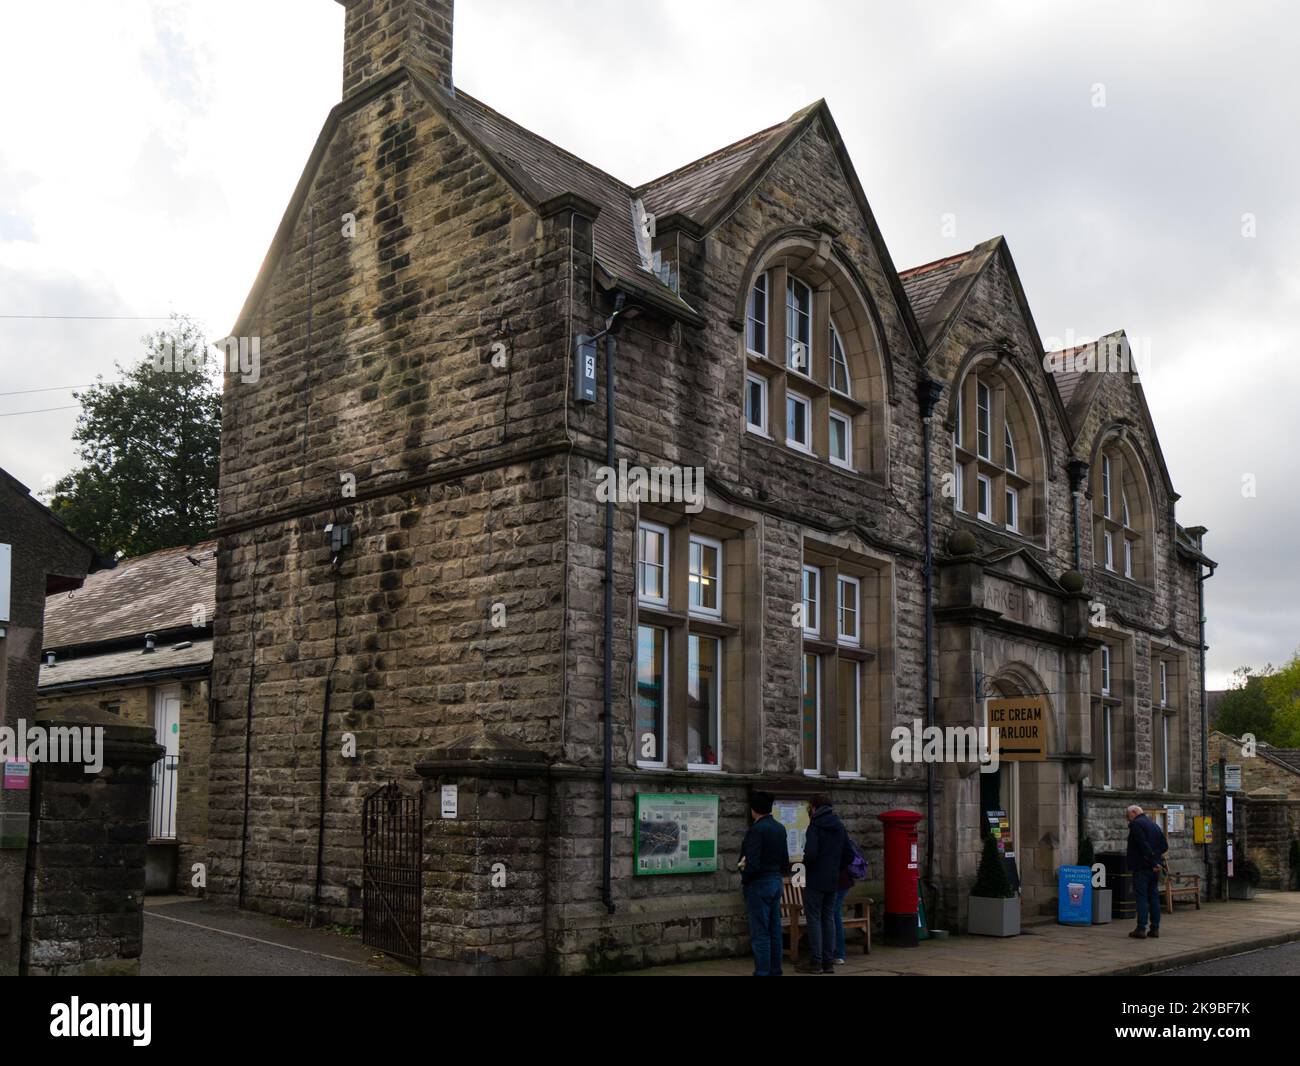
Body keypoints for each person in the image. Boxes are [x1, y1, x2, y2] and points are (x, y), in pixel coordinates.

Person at [801, 793, 854, 974]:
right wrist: (835, 868)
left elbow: (811, 853)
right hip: (833, 879)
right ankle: (828, 962)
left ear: (814, 807)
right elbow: (849, 854)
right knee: (828, 918)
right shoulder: (839, 825)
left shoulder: (815, 826)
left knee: (814, 919)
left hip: (816, 879)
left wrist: (808, 865)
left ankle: (816, 962)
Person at [739, 790, 790, 976]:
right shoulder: (779, 828)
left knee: (760, 932)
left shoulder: (756, 830)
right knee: (774, 930)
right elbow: (785, 860)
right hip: (776, 881)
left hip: (759, 884)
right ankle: (776, 970)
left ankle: (762, 972)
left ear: (754, 809)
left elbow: (751, 862)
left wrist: (745, 878)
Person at [1125, 804, 1168, 939]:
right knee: (1154, 897)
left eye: (1128, 816)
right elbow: (1164, 846)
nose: (1128, 819)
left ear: (1134, 812)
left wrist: (1152, 861)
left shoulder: (1136, 824)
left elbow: (1142, 845)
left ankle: (1141, 928)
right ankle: (1155, 928)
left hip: (1142, 867)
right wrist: (1156, 859)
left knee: (1142, 898)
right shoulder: (1154, 825)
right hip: (1154, 868)